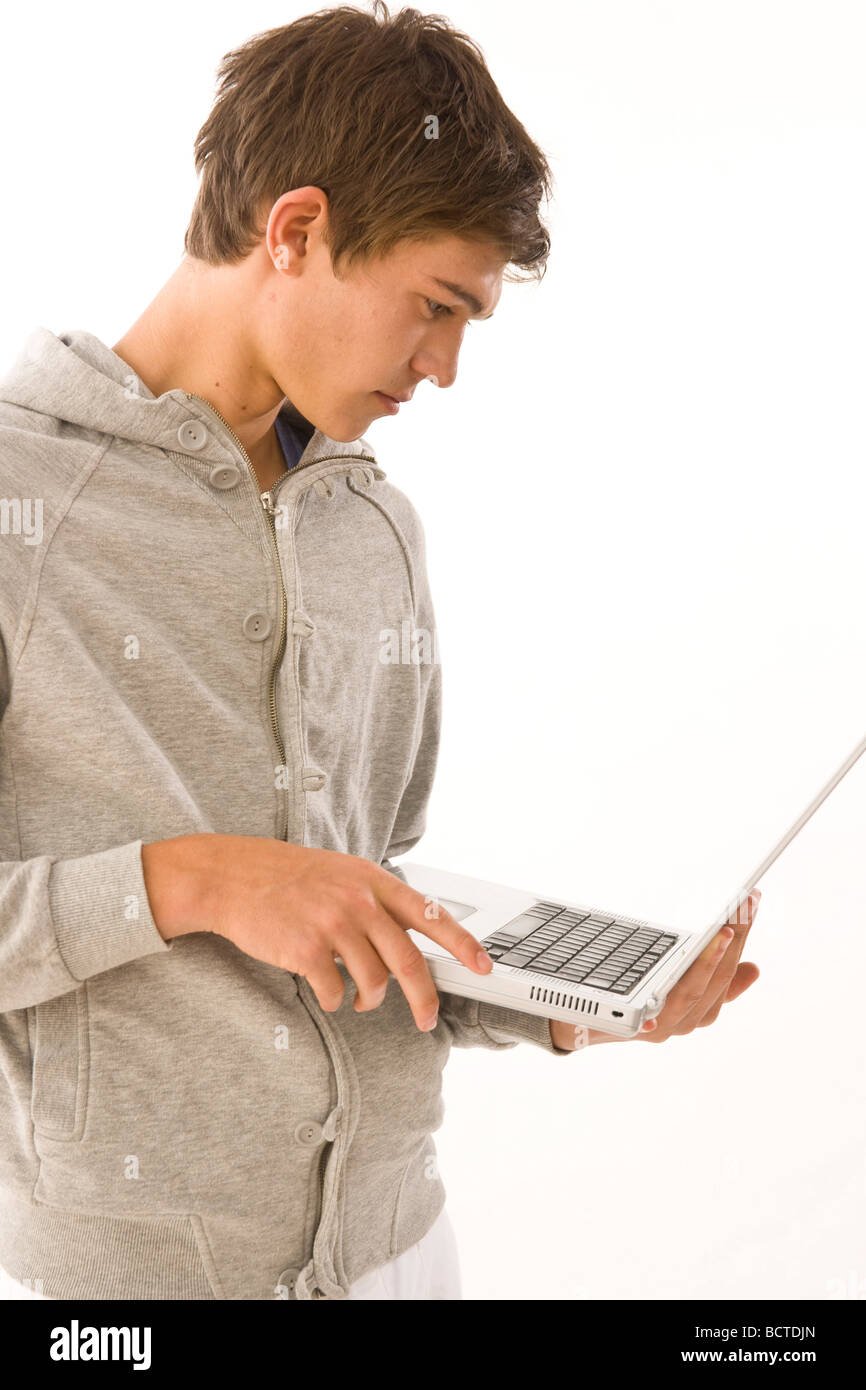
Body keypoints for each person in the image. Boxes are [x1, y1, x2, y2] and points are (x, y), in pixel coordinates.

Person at [0, 2, 760, 1301]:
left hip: (403, 1252)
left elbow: (361, 899)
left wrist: (566, 1001)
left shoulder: (375, 527)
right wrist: (190, 878)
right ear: (294, 231)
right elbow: (244, 893)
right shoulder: (22, 497)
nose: (446, 367)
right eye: (435, 306)